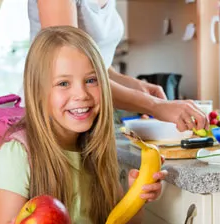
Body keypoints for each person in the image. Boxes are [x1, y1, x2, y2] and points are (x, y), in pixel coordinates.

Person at [0, 26, 167, 224]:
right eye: (63, 83)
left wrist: (137, 197)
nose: (81, 94)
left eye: (91, 80)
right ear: (37, 92)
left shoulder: (95, 152)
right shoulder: (14, 159)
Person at [27, 0, 209, 132]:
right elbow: (72, 71)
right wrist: (155, 105)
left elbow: (97, 65)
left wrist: (133, 84)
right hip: (51, 121)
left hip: (85, 125)